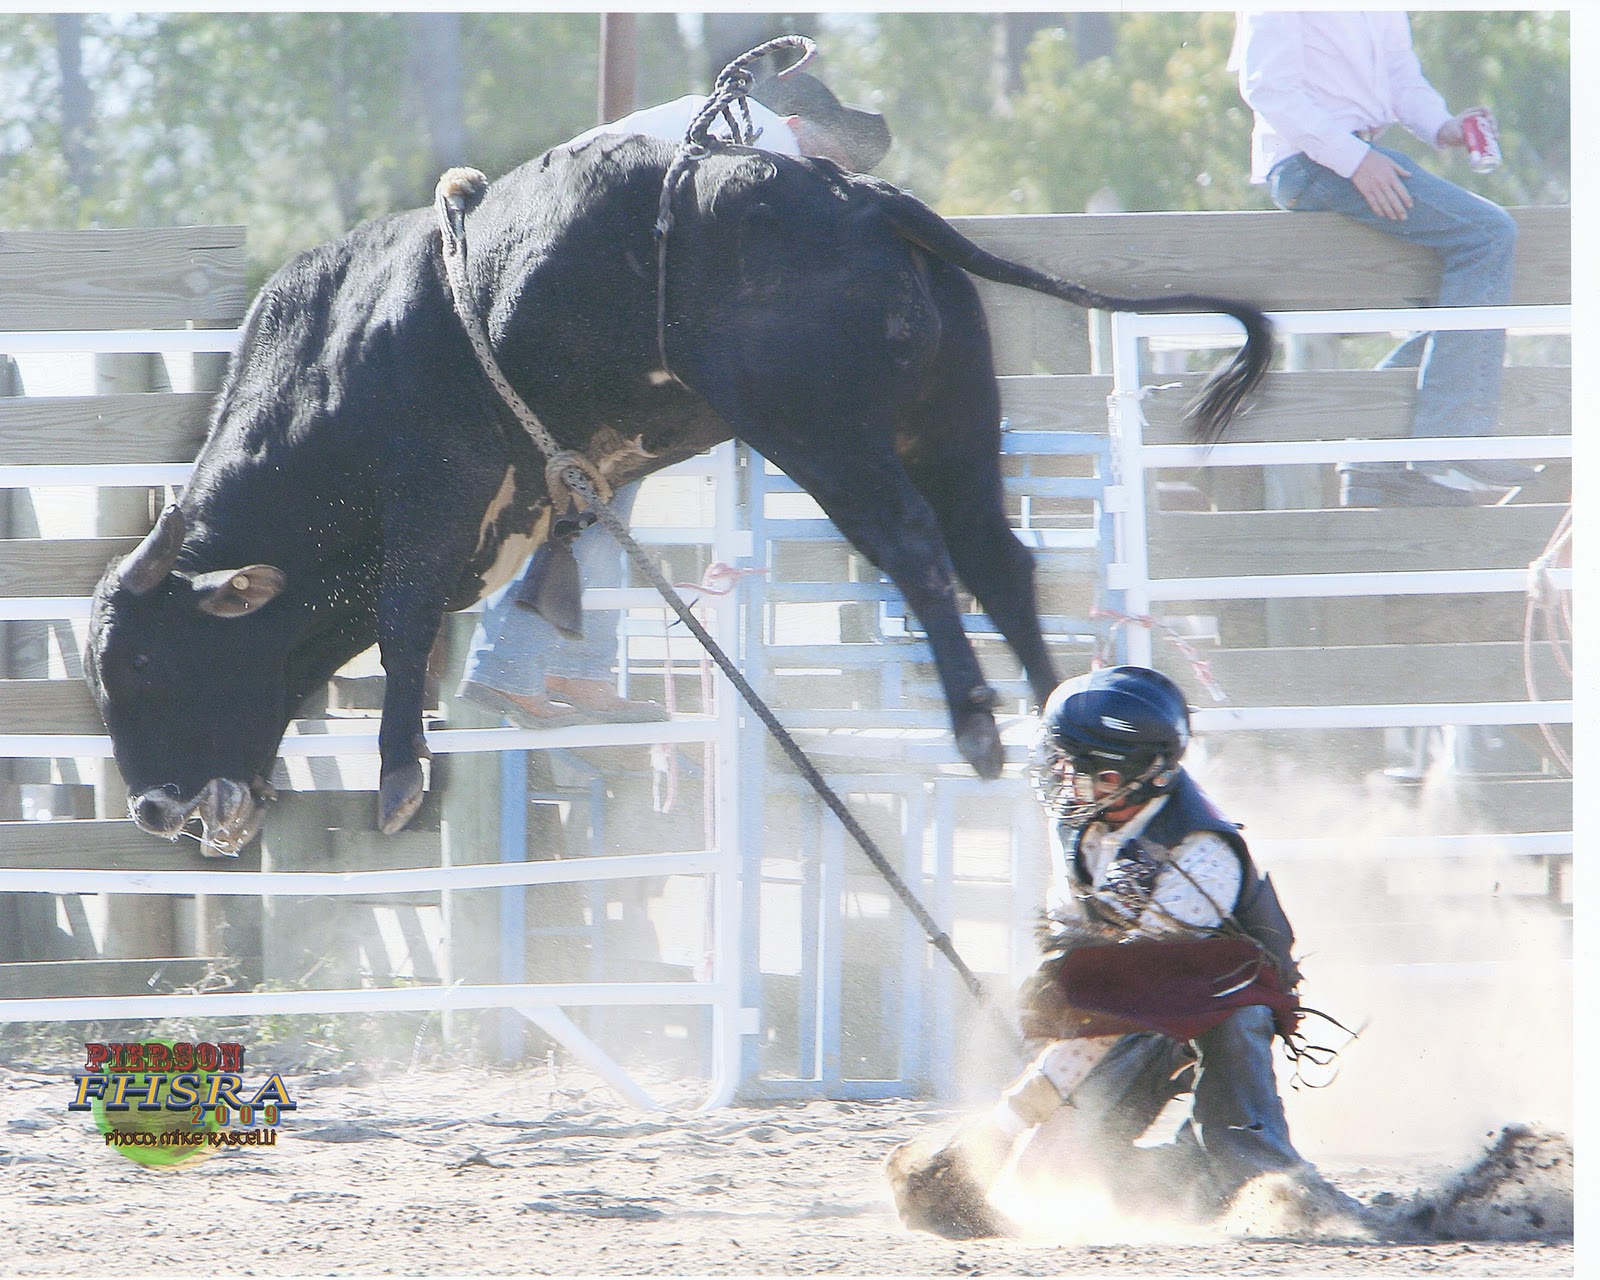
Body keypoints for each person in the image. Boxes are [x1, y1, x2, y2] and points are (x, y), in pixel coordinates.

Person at [459, 72, 892, 728]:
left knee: (598, 489)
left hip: (560, 305)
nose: (822, 188)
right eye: (825, 168)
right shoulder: (761, 145)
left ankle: (566, 666)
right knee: (572, 488)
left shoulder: (714, 127)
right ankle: (515, 667)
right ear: (798, 129)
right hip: (567, 313)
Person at [885, 667, 1357, 1237]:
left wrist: (1004, 1125)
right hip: (1145, 999)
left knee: (1240, 1134)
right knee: (1063, 1169)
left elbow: (1126, 1005)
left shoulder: (1200, 858)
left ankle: (1286, 1192)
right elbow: (1085, 944)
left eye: (1077, 766)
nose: (1061, 775)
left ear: (1124, 776)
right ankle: (1192, 1180)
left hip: (1215, 1000)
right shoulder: (1088, 814)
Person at [1231, 11, 1534, 508]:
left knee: (1457, 279)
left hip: (1360, 155)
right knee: (1487, 235)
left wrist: (1443, 126)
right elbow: (1269, 88)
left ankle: (1376, 456)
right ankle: (1448, 447)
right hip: (1312, 161)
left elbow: (1398, 72)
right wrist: (1355, 160)